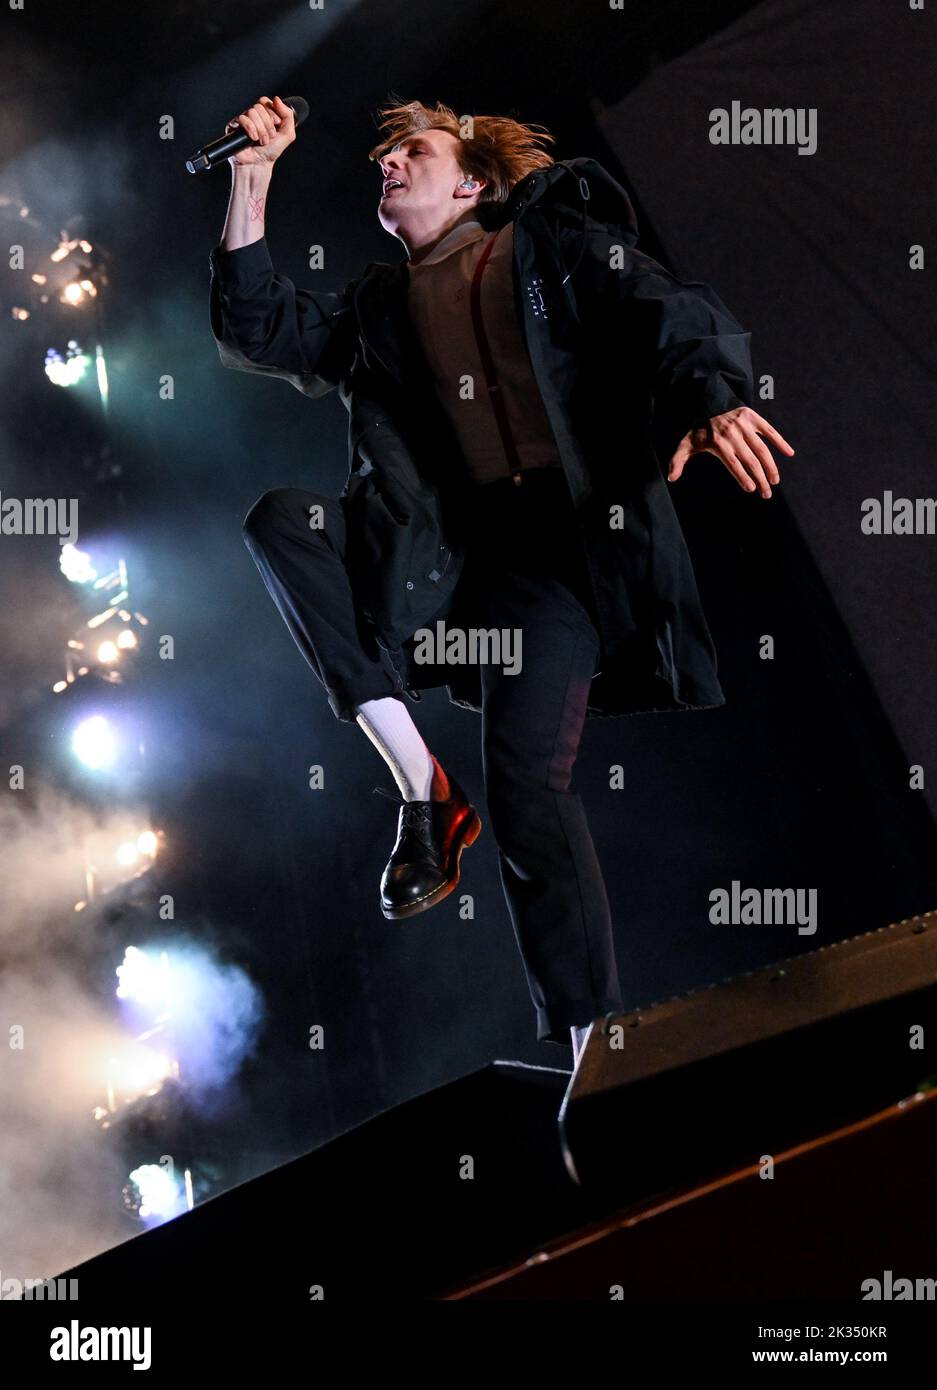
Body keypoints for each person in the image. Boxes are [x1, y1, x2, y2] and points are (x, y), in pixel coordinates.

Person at [208, 94, 794, 1067]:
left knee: (528, 787)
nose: (387, 164)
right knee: (284, 523)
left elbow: (665, 306)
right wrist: (253, 170)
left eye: (413, 151)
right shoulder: (376, 309)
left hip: (548, 566)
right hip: (437, 563)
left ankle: (587, 1044)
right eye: (382, 155)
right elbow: (257, 326)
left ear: (471, 180)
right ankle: (422, 792)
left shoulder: (548, 247)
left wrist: (712, 397)